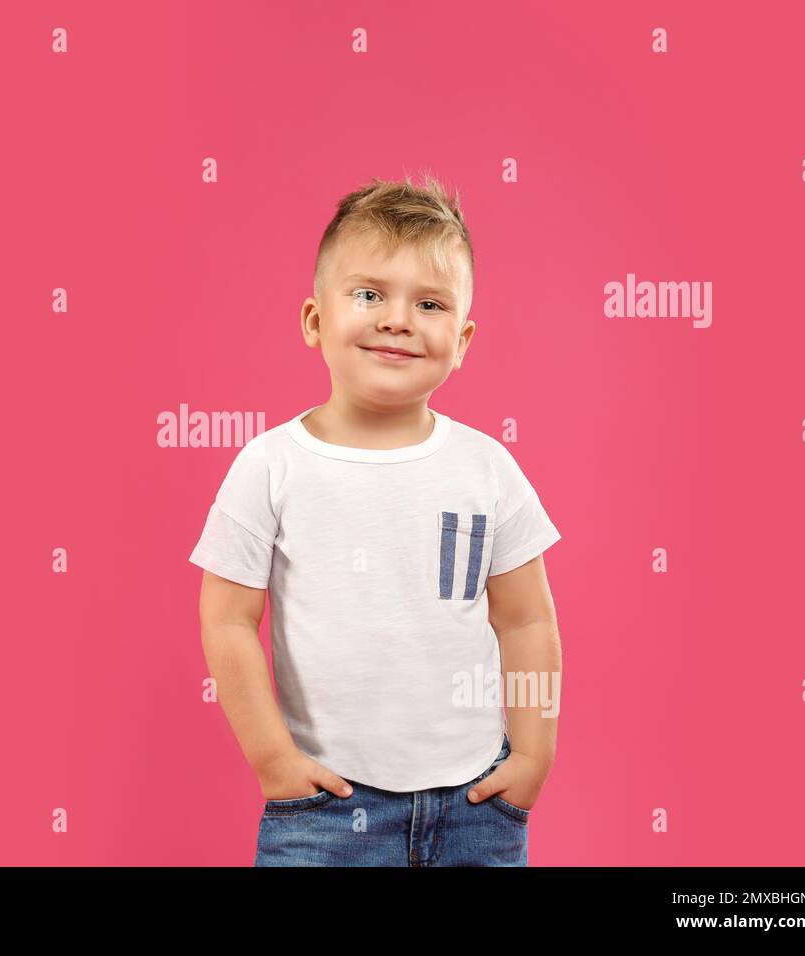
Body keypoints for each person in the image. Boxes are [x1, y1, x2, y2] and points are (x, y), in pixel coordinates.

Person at [188, 173, 562, 866]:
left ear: (464, 339)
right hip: (325, 808)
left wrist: (535, 749)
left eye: (429, 303)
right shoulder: (271, 467)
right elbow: (227, 618)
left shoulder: (488, 468)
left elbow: (527, 621)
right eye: (368, 294)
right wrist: (273, 758)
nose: (397, 319)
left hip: (475, 804)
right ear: (314, 320)